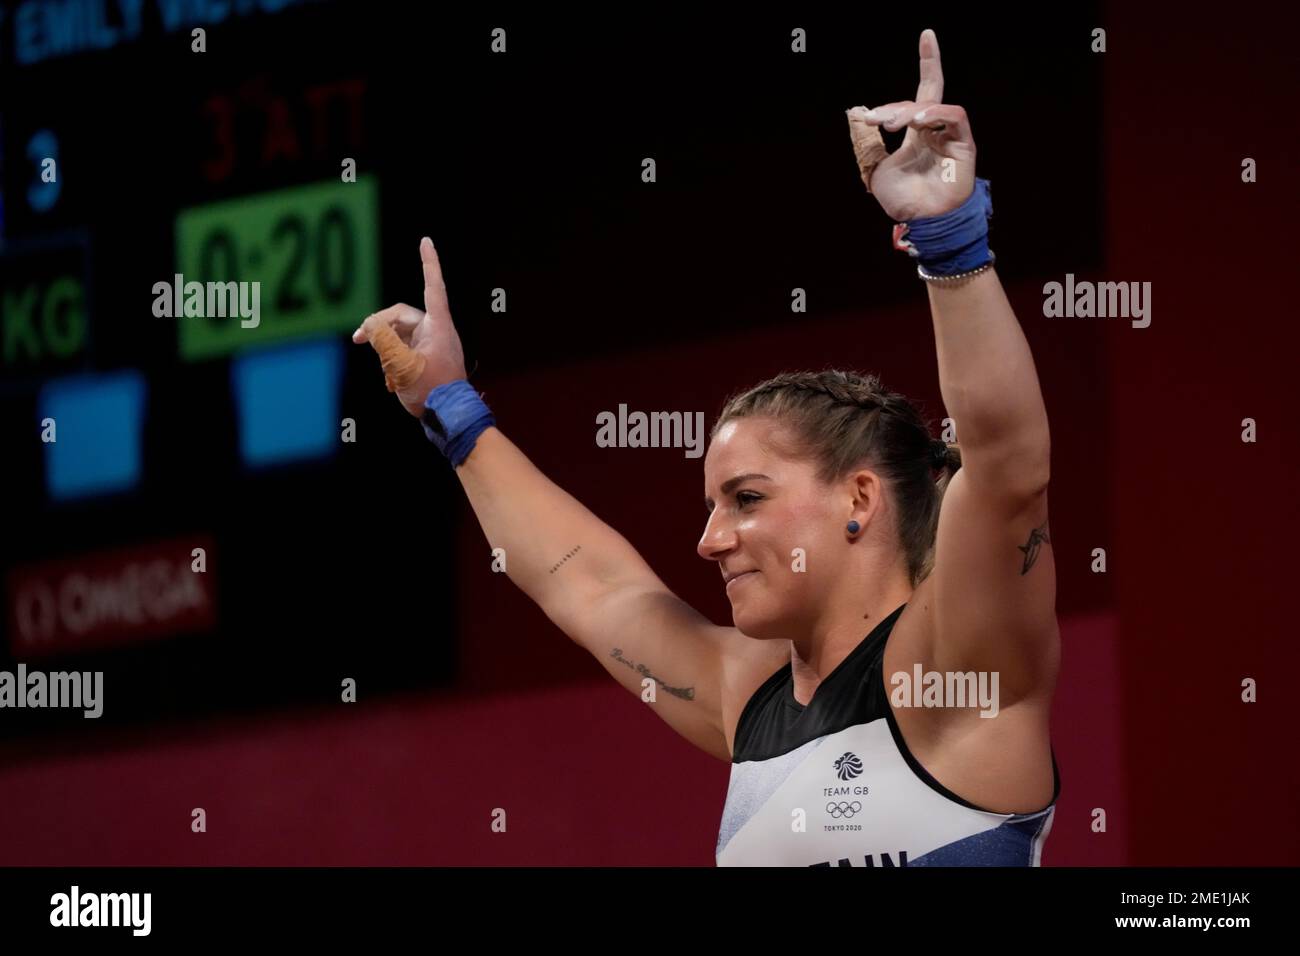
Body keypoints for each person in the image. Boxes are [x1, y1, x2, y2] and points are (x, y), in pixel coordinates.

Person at [354, 27, 1059, 866]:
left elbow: (1007, 467)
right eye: (714, 505)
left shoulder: (952, 673)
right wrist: (449, 406)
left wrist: (951, 243)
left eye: (747, 498)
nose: (710, 539)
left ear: (860, 500)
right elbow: (589, 583)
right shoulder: (749, 696)